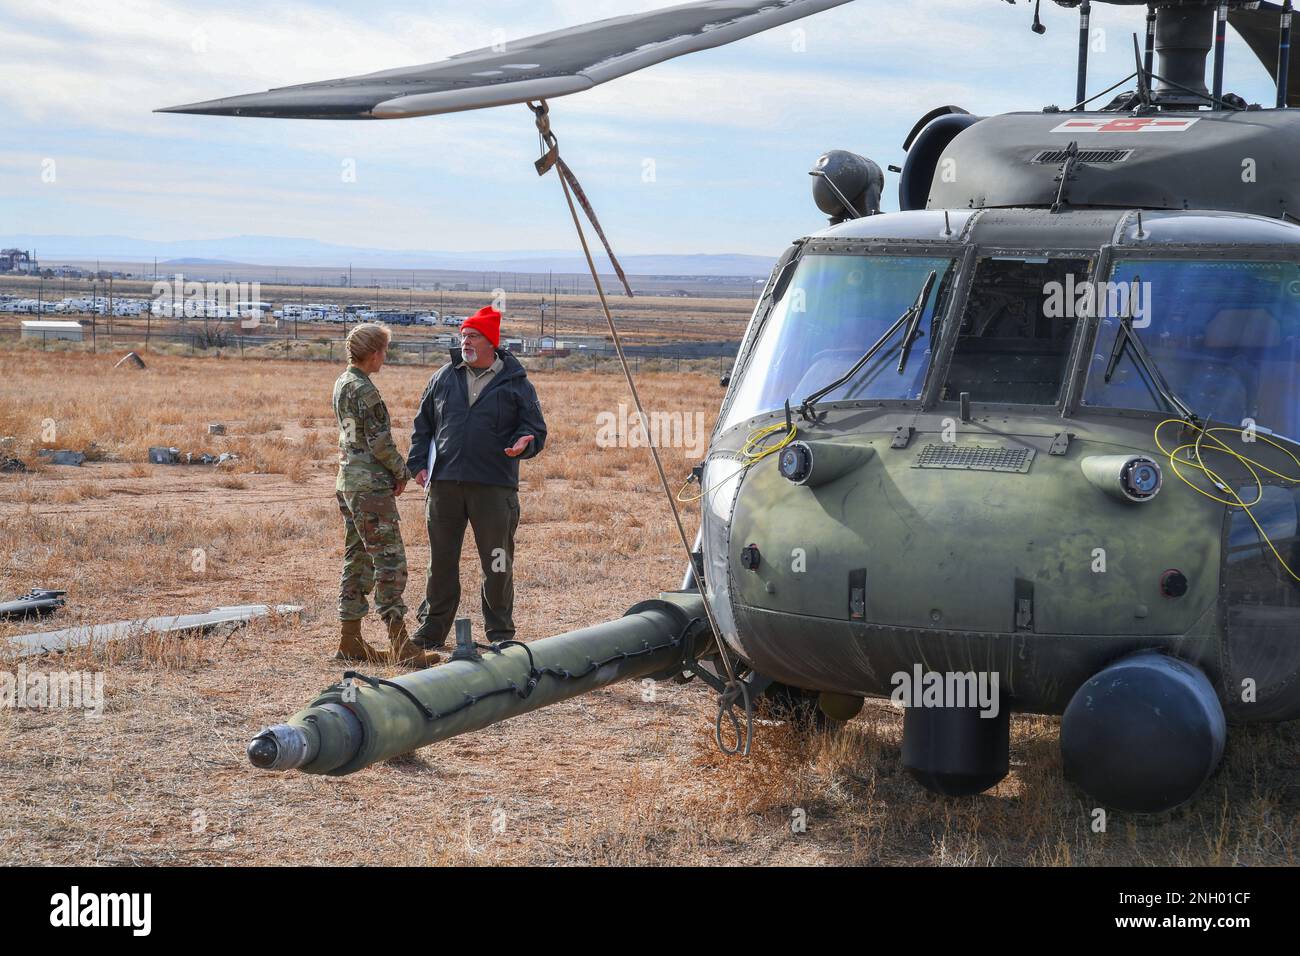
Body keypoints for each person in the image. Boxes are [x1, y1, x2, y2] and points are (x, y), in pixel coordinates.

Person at [407, 305, 547, 649]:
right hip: (444, 485)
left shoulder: (516, 383)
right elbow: (422, 425)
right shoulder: (444, 376)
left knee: (497, 561)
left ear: (491, 342)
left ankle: (500, 634)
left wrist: (525, 443)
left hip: (493, 487)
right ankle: (431, 632)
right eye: (463, 335)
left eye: (472, 336)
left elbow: (535, 429)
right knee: (441, 560)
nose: (464, 341)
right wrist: (417, 463)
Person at [332, 323, 438, 667]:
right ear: (374, 353)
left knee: (358, 558)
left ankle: (350, 640)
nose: (385, 357)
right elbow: (379, 442)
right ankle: (400, 643)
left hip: (348, 481)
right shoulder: (366, 391)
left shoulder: (342, 383)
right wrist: (401, 471)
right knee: (390, 563)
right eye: (384, 351)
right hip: (370, 488)